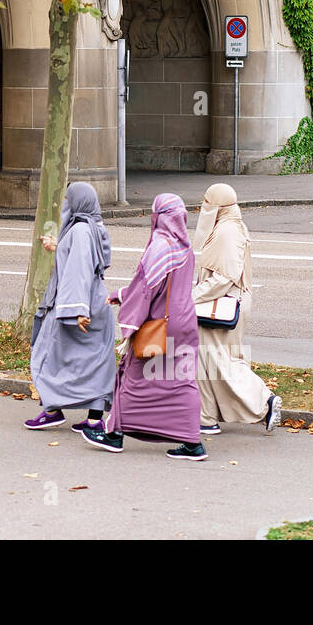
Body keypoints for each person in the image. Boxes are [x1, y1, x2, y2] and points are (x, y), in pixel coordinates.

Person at [83, 192, 206, 460]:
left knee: (134, 377)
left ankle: (114, 435)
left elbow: (145, 290)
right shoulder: (185, 247)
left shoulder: (160, 247)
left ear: (159, 217)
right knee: (181, 381)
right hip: (184, 322)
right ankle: (192, 443)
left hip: (159, 326)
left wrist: (123, 302)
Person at [23, 183, 116, 436]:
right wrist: (58, 246)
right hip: (98, 303)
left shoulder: (81, 230)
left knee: (47, 354)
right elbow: (88, 258)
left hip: (76, 303)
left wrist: (77, 310)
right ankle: (95, 420)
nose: (66, 202)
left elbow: (79, 269)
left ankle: (52, 411)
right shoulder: (95, 226)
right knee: (95, 362)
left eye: (68, 198)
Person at [192, 183, 282, 435]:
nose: (203, 207)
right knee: (208, 360)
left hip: (223, 305)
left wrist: (190, 297)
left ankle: (265, 401)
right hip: (224, 304)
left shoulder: (227, 231)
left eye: (207, 202)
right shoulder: (230, 226)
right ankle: (206, 418)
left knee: (221, 362)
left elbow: (224, 277)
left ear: (218, 206)